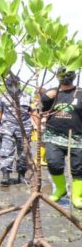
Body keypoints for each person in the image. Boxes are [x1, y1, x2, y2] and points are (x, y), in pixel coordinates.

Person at [39, 67, 82, 208]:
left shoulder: (80, 93)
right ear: (57, 77)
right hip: (54, 135)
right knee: (53, 163)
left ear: (74, 76)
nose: (65, 77)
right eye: (62, 75)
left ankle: (77, 197)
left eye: (68, 74)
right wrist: (45, 97)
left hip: (77, 137)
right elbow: (42, 110)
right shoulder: (52, 93)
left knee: (78, 168)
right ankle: (61, 189)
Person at [0, 74, 35, 186]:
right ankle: (6, 176)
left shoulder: (27, 96)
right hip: (7, 128)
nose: (13, 87)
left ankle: (21, 176)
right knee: (6, 151)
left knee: (24, 152)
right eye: (10, 85)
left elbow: (34, 112)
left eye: (14, 85)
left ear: (19, 84)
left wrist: (39, 125)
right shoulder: (3, 97)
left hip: (24, 128)